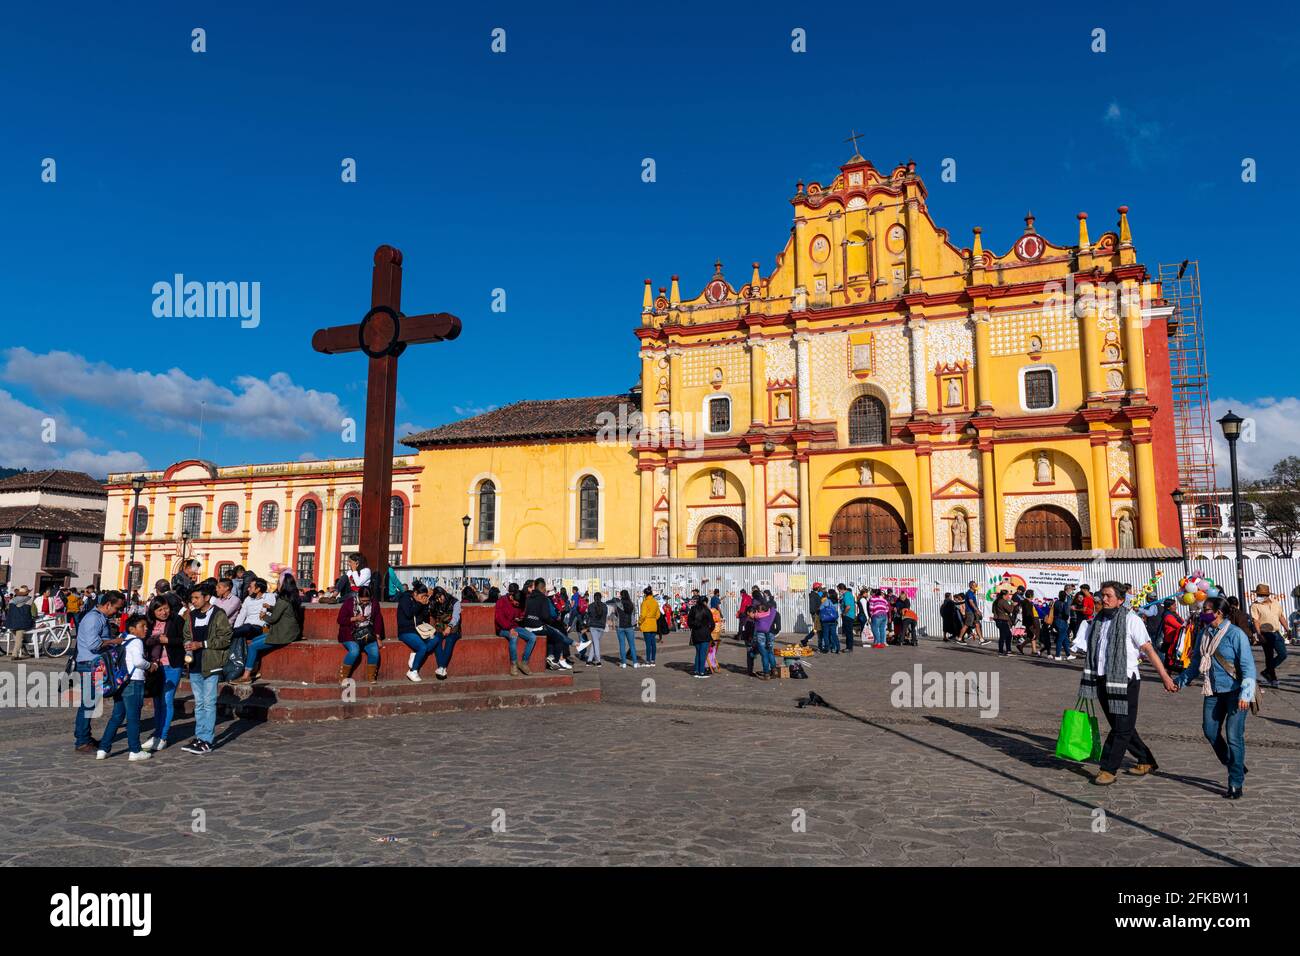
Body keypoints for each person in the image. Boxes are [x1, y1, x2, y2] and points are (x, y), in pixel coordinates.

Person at [1073, 581, 1179, 786]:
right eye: (1102, 595)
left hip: (1125, 680)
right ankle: (1146, 759)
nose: (1103, 599)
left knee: (1121, 727)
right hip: (1102, 678)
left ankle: (1108, 768)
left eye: (1108, 596)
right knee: (1121, 725)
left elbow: (1148, 649)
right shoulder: (1098, 620)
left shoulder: (1131, 620)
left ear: (1120, 600)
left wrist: (1164, 676)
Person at [1173, 596, 1256, 798]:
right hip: (1212, 692)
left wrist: (1246, 695)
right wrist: (1179, 681)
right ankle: (1235, 764)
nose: (1203, 612)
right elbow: (1195, 665)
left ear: (1218, 612)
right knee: (1210, 731)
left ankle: (1235, 782)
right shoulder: (1203, 633)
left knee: (1234, 737)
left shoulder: (1235, 635)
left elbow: (1248, 667)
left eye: (1207, 609)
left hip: (1236, 693)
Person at [96, 614, 158, 761]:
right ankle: (135, 750)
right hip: (134, 682)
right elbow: (138, 662)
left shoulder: (123, 641)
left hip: (121, 683)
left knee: (116, 717)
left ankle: (103, 748)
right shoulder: (137, 641)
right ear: (132, 629)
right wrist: (150, 666)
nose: (146, 629)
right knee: (133, 717)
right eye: (142, 626)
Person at [181, 581, 232, 756]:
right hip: (195, 664)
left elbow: (225, 639)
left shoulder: (219, 615)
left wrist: (201, 644)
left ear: (207, 597)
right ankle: (199, 736)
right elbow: (186, 635)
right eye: (192, 598)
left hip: (212, 664)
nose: (193, 601)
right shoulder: (191, 616)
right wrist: (188, 644)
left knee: (209, 703)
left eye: (196, 597)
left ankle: (207, 740)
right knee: (199, 703)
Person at [72, 591, 126, 754]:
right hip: (90, 665)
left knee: (90, 703)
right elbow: (94, 644)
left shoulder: (100, 618)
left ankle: (84, 736)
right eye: (117, 608)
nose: (118, 612)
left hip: (93, 664)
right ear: (108, 604)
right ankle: (81, 740)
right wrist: (114, 641)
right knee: (88, 703)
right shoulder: (93, 619)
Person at [234, 579, 302, 682]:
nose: (277, 585)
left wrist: (264, 616)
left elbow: (273, 619)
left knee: (252, 646)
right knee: (252, 641)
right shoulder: (288, 599)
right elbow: (280, 610)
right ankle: (253, 669)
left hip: (282, 634)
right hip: (285, 631)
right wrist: (269, 607)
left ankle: (246, 676)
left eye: (278, 583)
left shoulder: (282, 600)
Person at [142, 596, 185, 752]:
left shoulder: (177, 620)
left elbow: (184, 640)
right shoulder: (149, 623)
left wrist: (167, 640)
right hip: (155, 667)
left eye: (166, 608)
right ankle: (156, 733)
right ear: (153, 611)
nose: (164, 612)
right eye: (159, 609)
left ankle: (163, 737)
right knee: (157, 701)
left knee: (167, 701)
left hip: (172, 665)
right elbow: (144, 640)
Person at [338, 585, 385, 684]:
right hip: (350, 634)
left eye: (367, 600)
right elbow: (340, 620)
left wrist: (378, 637)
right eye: (362, 600)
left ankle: (371, 677)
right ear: (358, 596)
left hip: (367, 633)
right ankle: (343, 676)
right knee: (354, 651)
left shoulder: (374, 604)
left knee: (375, 652)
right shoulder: (349, 603)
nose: (364, 603)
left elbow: (378, 621)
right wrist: (355, 618)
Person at [1249, 584, 1288, 688]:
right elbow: (1255, 621)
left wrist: (1287, 629)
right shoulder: (1255, 605)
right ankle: (1272, 677)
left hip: (1276, 632)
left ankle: (1266, 672)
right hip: (1265, 633)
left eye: (1262, 594)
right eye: (1258, 594)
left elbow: (1281, 617)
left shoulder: (1276, 603)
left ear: (1267, 595)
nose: (1260, 596)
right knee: (1269, 656)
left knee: (1283, 654)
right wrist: (1259, 634)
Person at [396, 580, 435, 682]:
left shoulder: (421, 602)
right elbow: (409, 613)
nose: (424, 598)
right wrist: (420, 603)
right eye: (422, 596)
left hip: (419, 630)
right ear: (415, 594)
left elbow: (425, 619)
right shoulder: (405, 599)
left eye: (425, 596)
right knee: (422, 647)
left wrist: (426, 605)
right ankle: (413, 671)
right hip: (406, 631)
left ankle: (415, 655)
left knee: (436, 639)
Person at [494, 584, 535, 676]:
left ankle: (524, 662)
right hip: (502, 628)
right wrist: (510, 628)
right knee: (514, 636)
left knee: (532, 637)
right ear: (511, 597)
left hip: (514, 626)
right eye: (516, 603)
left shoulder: (519, 602)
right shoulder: (501, 601)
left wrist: (520, 617)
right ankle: (514, 664)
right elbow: (499, 619)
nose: (517, 605)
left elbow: (521, 613)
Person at [3, 585, 34, 659]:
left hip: (11, 623)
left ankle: (25, 652)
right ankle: (15, 655)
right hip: (22, 623)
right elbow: (34, 613)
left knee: (17, 639)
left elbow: (7, 609)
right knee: (19, 640)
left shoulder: (11, 600)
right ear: (27, 593)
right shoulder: (30, 601)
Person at [751, 597, 778, 679]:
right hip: (770, 635)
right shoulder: (771, 614)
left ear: (761, 610)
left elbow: (752, 614)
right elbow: (773, 608)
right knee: (770, 652)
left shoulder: (757, 616)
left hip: (760, 635)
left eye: (759, 609)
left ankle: (766, 673)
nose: (758, 610)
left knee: (764, 655)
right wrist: (767, 604)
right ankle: (774, 670)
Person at [614, 589, 638, 668]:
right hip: (629, 626)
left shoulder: (617, 604)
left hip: (620, 627)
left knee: (622, 645)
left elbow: (616, 615)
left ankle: (623, 663)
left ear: (621, 596)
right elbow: (633, 615)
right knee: (632, 645)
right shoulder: (632, 604)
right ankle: (635, 663)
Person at [638, 587, 660, 667]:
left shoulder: (645, 602)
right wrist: (653, 619)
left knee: (648, 644)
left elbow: (643, 615)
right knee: (653, 643)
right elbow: (658, 614)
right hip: (653, 624)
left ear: (645, 594)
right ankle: (653, 660)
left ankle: (647, 660)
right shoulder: (655, 602)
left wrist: (639, 622)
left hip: (646, 624)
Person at [585, 591, 607, 666]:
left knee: (595, 642)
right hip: (601, 626)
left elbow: (588, 616)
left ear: (594, 598)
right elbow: (605, 616)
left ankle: (593, 660)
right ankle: (596, 660)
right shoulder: (604, 606)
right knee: (596, 642)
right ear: (601, 598)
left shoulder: (590, 606)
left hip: (593, 626)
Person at [1017, 589, 1041, 656]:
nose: (1033, 596)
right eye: (1033, 595)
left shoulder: (1027, 602)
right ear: (1030, 595)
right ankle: (1021, 646)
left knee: (1032, 636)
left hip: (1032, 620)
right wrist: (1032, 622)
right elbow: (1028, 614)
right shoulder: (1027, 603)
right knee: (1034, 635)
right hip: (1032, 620)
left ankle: (1034, 650)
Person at [992, 590, 1015, 657]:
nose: (1009, 596)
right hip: (1002, 620)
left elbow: (993, 611)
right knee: (1003, 636)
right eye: (1008, 595)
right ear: (1004, 595)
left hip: (998, 620)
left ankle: (1008, 651)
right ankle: (1001, 652)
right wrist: (1012, 604)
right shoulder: (1003, 601)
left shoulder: (996, 601)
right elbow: (1010, 610)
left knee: (1008, 635)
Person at [1052, 590, 1074, 660]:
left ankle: (1068, 654)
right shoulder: (1065, 603)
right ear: (1065, 597)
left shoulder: (1056, 602)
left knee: (1065, 639)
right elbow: (1066, 614)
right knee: (1060, 639)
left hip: (1056, 621)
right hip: (1062, 621)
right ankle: (1057, 655)